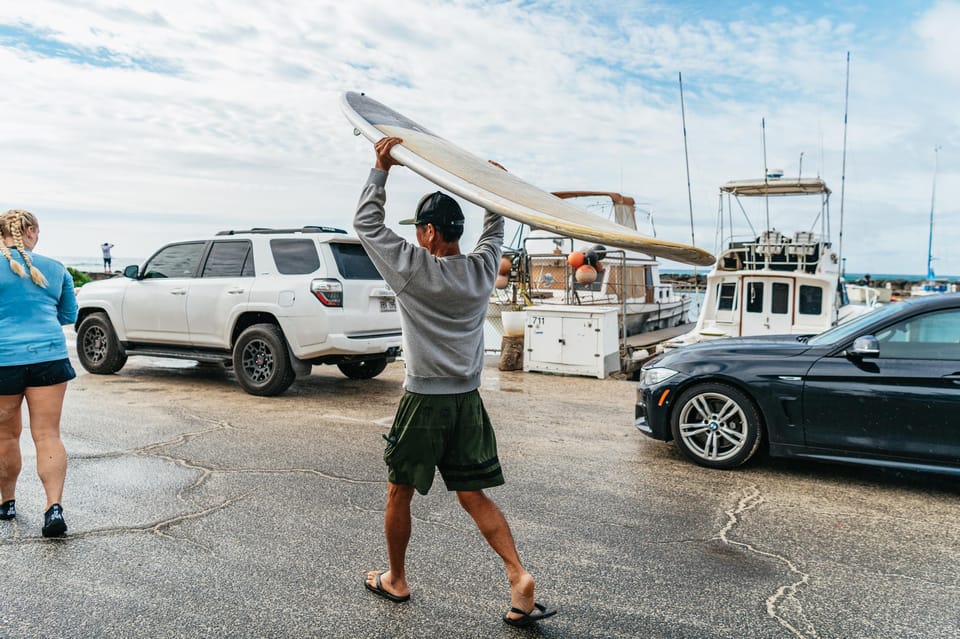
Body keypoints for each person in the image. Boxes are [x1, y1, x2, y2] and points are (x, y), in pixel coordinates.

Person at [353, 137, 556, 628]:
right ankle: (518, 577)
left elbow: (366, 224)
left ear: (427, 232)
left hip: (424, 400)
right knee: (473, 494)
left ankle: (396, 579)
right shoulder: (483, 271)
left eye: (418, 228)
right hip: (467, 401)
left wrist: (381, 167)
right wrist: (491, 186)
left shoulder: (412, 269)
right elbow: (494, 230)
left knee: (399, 492)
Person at [0, 209, 78, 537]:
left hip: (4, 360)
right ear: (30, 231)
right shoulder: (56, 268)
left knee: (5, 435)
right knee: (48, 435)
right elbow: (69, 314)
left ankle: (7, 503)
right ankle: (53, 508)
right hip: (49, 357)